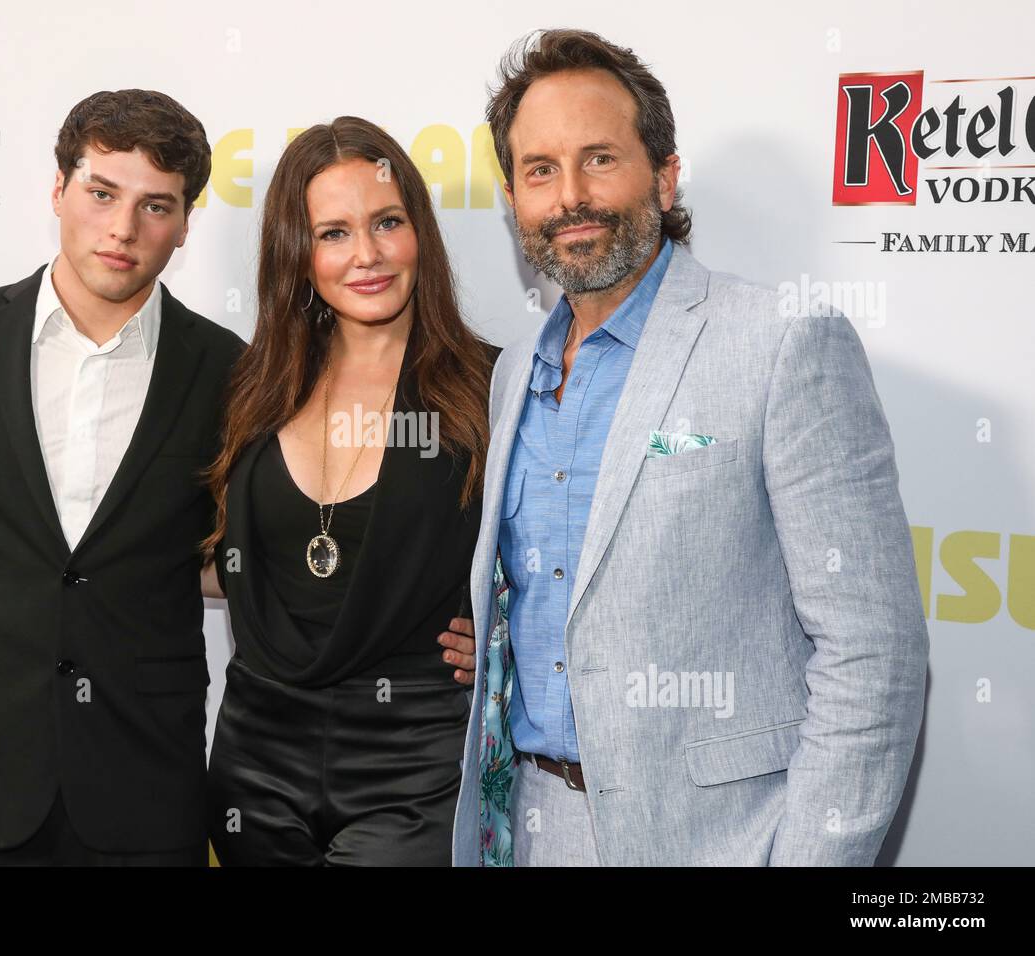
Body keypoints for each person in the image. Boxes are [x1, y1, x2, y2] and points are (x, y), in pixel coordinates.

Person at [452, 29, 929, 866]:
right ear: (513, 195)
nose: (570, 196)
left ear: (663, 174)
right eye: (540, 169)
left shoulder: (783, 343)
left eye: (600, 158)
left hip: (720, 841)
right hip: (530, 823)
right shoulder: (515, 369)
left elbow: (874, 654)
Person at [0, 89, 244, 865]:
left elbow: (251, 548)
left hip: (144, 778)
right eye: (102, 193)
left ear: (185, 224)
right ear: (58, 189)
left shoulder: (228, 370)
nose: (122, 229)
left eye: (156, 206)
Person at [201, 116, 496, 866]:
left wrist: (506, 633)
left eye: (386, 222)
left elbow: (569, 554)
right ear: (297, 255)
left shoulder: (491, 389)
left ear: (419, 232)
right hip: (255, 758)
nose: (365, 255)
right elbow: (211, 554)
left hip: (413, 760)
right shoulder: (251, 389)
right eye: (332, 233)